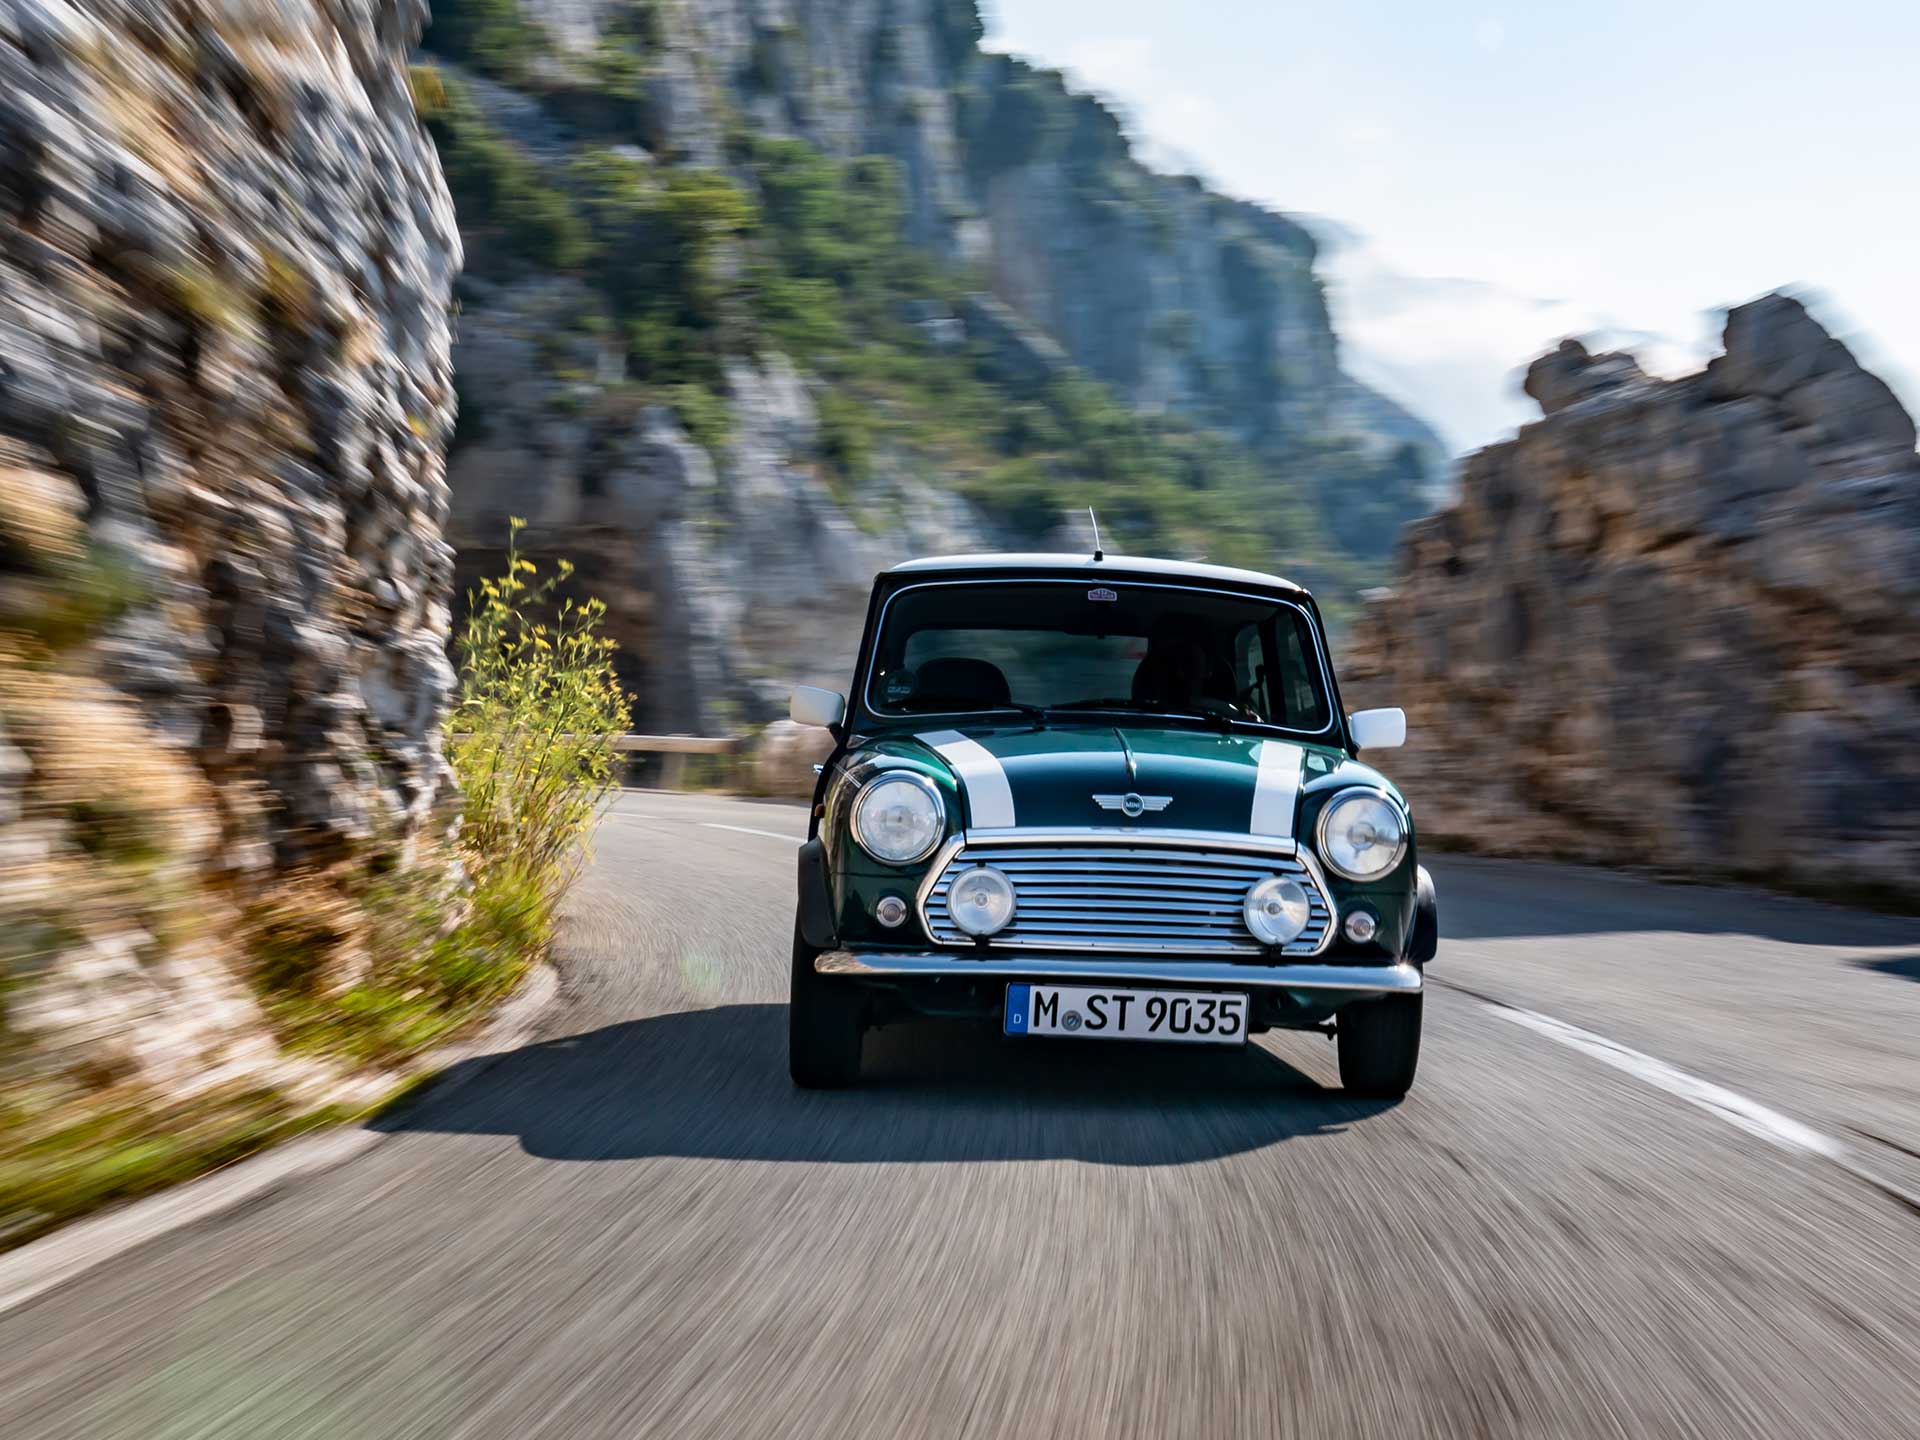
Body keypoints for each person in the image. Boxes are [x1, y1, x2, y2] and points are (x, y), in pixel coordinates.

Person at [1133, 614, 1218, 710]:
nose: (1178, 673)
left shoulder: (1227, 717)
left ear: (1209, 668)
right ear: (1152, 670)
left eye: (1189, 662)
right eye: (1167, 662)